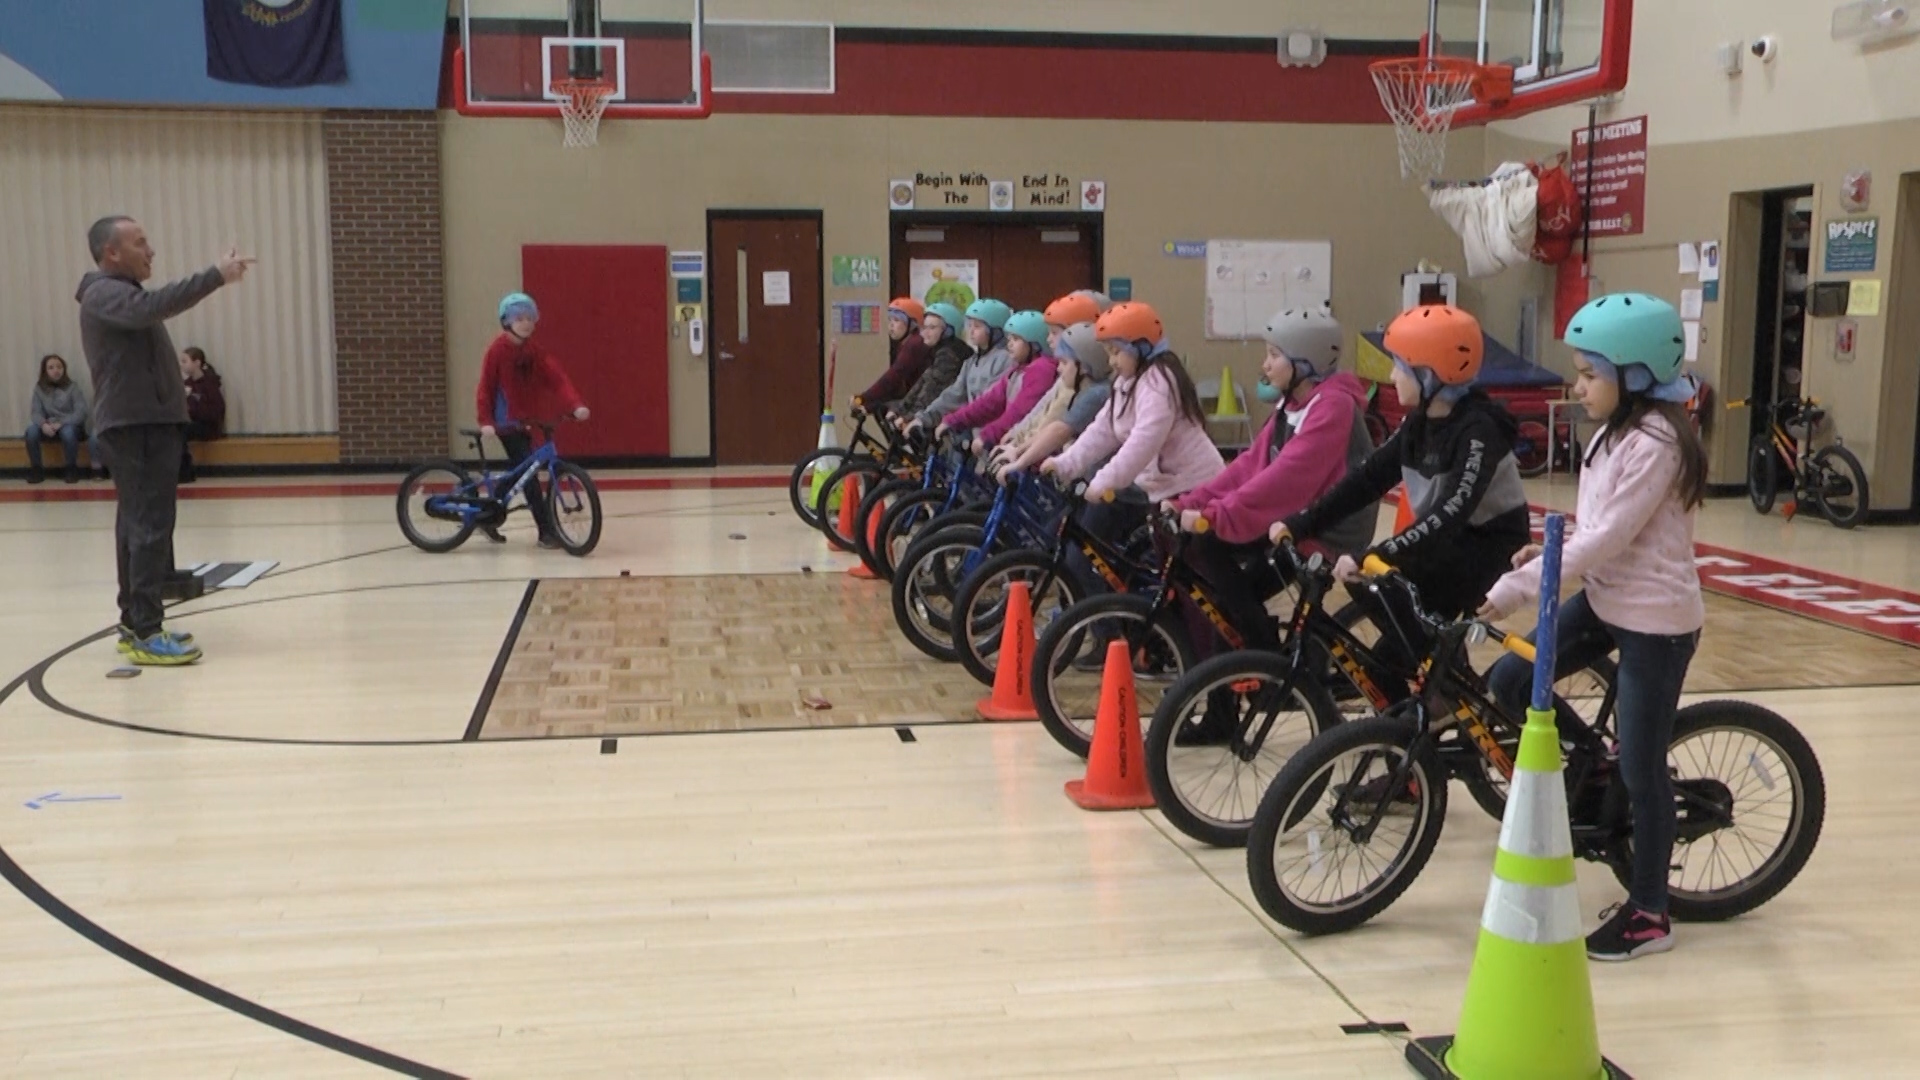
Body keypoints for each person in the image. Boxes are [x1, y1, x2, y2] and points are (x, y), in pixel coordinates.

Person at [1478, 292, 1707, 963]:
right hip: (1609, 600)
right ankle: (1600, 761)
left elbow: (1609, 539)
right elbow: (1601, 527)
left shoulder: (1659, 441)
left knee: (1644, 769)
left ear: (1633, 377)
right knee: (1513, 680)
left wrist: (1520, 587)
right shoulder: (1613, 432)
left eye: (1589, 374)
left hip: (1655, 623)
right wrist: (1549, 546)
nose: (1576, 387)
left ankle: (1650, 912)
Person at [1271, 304, 1528, 681]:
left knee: (1385, 593)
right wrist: (1301, 522)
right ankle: (1442, 677)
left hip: (1488, 545)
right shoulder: (1419, 423)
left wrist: (1378, 553)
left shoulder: (1477, 431)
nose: (1392, 376)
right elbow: (1366, 480)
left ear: (1429, 376)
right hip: (1448, 540)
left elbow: (1451, 511)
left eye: (1399, 367)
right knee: (1382, 622)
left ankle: (1445, 686)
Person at [77, 215, 251, 665]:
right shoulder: (105, 295)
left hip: (146, 424)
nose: (150, 250)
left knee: (137, 525)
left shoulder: (120, 295)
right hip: (136, 427)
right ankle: (146, 631)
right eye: (140, 242)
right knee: (149, 526)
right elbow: (156, 306)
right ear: (111, 253)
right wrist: (214, 276)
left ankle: (136, 622)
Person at [1168, 307, 1377, 651]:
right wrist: (1192, 501)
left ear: (1305, 364)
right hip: (1298, 518)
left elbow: (1286, 480)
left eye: (1274, 355)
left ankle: (1264, 656)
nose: (1265, 365)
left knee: (1217, 557)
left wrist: (1216, 515)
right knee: (1228, 601)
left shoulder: (1333, 407)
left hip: (1328, 530)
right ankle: (1243, 671)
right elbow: (1250, 464)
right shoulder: (1293, 404)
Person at [1041, 301, 1224, 600]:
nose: (1111, 362)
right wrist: (1066, 463)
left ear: (1140, 347)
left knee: (1196, 589)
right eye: (1108, 353)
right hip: (1162, 493)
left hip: (1192, 491)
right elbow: (1103, 430)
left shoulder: (1159, 380)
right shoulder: (1127, 382)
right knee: (1174, 583)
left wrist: (1104, 481)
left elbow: (1144, 440)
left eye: (1116, 352)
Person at [475, 292, 590, 548]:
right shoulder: (496, 351)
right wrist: (485, 420)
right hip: (506, 423)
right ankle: (545, 531)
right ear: (507, 321)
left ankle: (487, 514)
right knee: (529, 475)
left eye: (530, 318)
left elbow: (556, 378)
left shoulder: (534, 351)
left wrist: (575, 405)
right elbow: (486, 387)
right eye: (520, 318)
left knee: (521, 472)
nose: (526, 323)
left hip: (526, 421)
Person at [936, 309, 1057, 453]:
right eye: (1009, 339)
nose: (1010, 345)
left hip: (1031, 449)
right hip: (1016, 445)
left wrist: (989, 434)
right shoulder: (1018, 370)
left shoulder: (1041, 369)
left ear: (1034, 343)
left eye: (1016, 339)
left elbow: (1020, 412)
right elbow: (990, 401)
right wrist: (954, 420)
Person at [907, 298, 1013, 437]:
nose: (971, 331)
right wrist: (924, 418)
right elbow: (954, 394)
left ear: (995, 330)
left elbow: (990, 402)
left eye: (977, 326)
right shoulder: (971, 361)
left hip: (994, 434)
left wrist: (955, 421)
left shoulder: (1005, 359)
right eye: (970, 325)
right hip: (973, 433)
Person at [24, 354, 102, 484]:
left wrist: (61, 423)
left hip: (70, 426)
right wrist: (43, 424)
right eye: (51, 367)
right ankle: (36, 469)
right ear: (45, 371)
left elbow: (81, 412)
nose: (56, 370)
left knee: (68, 432)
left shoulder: (73, 387)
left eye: (59, 367)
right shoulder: (39, 389)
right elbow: (35, 412)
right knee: (31, 432)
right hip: (48, 426)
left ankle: (71, 469)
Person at [890, 302, 970, 425]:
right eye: (924, 327)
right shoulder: (937, 350)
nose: (925, 333)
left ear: (948, 331)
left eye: (932, 328)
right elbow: (923, 381)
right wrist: (900, 409)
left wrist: (909, 417)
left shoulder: (949, 355)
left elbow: (932, 390)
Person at [851, 298, 932, 415]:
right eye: (889, 320)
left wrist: (863, 398)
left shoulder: (915, 343)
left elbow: (893, 377)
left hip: (923, 402)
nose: (891, 325)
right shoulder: (907, 343)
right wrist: (869, 404)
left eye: (897, 320)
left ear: (912, 323)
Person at [177, 346, 226, 483]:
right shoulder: (186, 384)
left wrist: (192, 407)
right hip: (192, 422)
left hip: (208, 426)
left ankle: (185, 472)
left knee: (181, 432)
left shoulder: (210, 384)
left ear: (197, 363)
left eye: (184, 361)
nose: (181, 365)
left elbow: (215, 411)